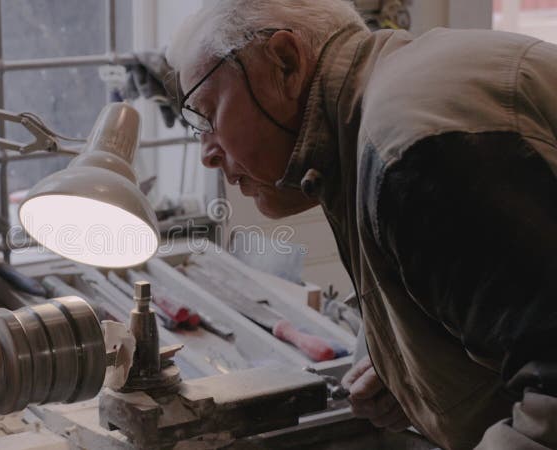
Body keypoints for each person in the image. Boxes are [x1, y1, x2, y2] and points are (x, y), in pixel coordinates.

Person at [160, 1, 557, 449]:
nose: (207, 154)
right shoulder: (369, 124)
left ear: (286, 64)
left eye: (208, 115)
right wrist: (410, 369)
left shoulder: (413, 151)